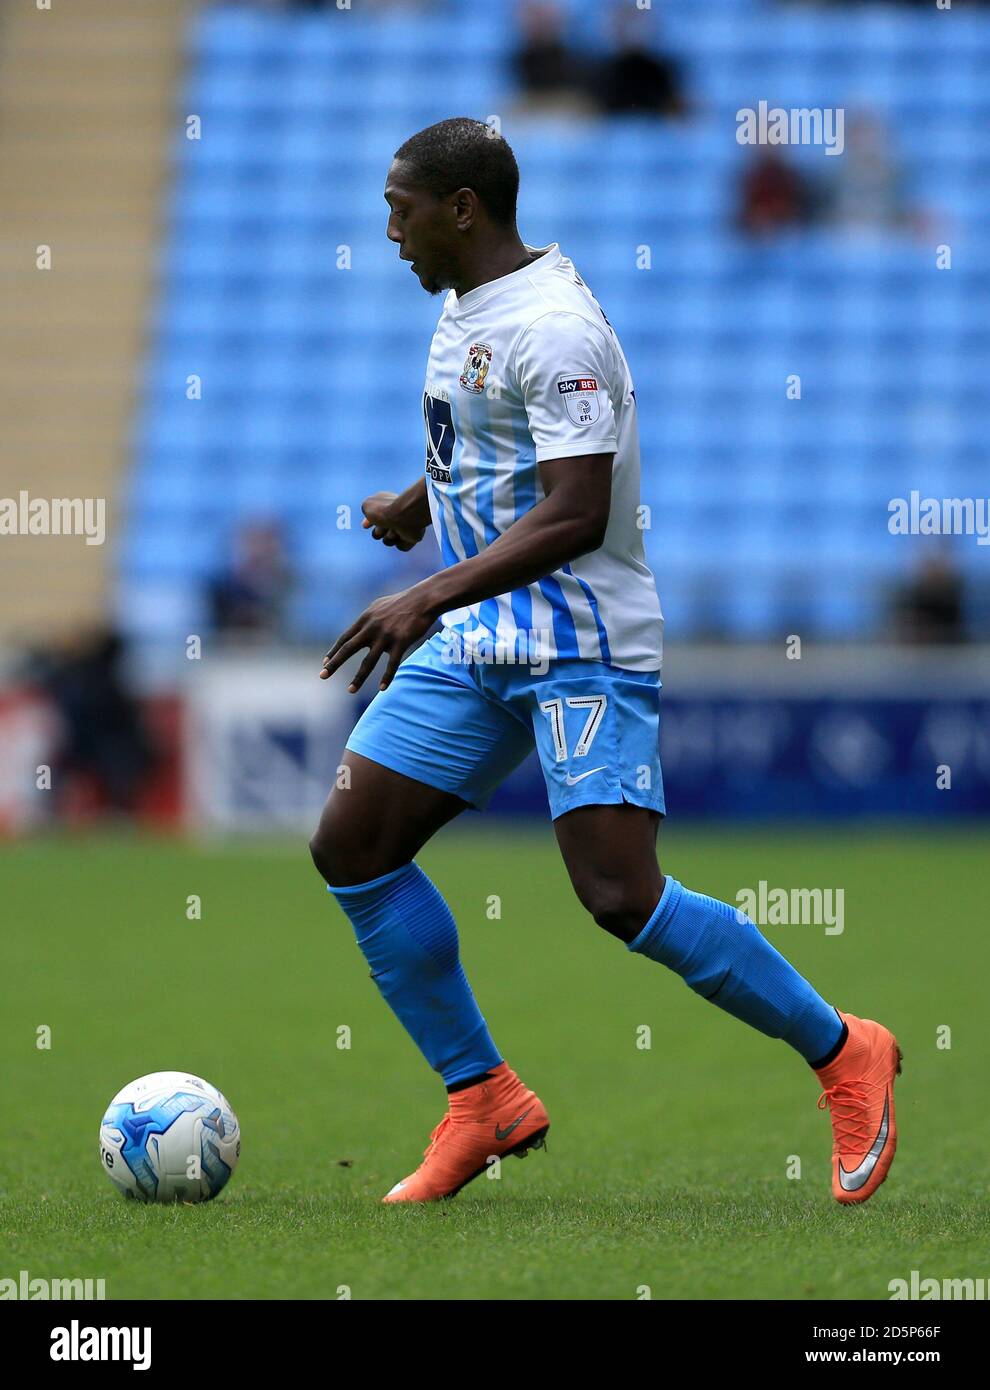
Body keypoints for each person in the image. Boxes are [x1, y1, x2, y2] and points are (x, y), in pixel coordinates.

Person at [310, 117, 901, 1205]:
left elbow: (577, 510)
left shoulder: (557, 325)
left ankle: (844, 1048)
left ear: (462, 209)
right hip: (486, 632)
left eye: (400, 207)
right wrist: (421, 496)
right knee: (352, 844)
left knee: (619, 896)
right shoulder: (467, 304)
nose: (387, 228)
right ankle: (481, 1097)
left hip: (578, 637)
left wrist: (428, 588)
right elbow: (499, 434)